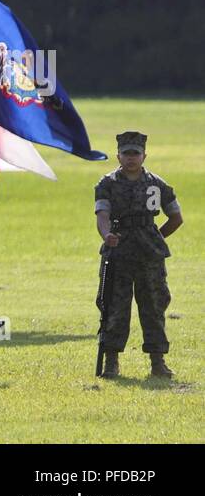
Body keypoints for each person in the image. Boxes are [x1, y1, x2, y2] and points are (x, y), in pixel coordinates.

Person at [94, 131, 183, 378]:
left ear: (144, 155)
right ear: (118, 156)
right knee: (114, 307)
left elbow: (176, 217)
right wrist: (106, 235)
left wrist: (156, 238)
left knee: (153, 307)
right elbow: (102, 216)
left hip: (149, 256)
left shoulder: (157, 184)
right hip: (119, 253)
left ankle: (158, 362)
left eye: (135, 154)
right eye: (126, 154)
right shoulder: (107, 184)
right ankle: (111, 362)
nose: (131, 158)